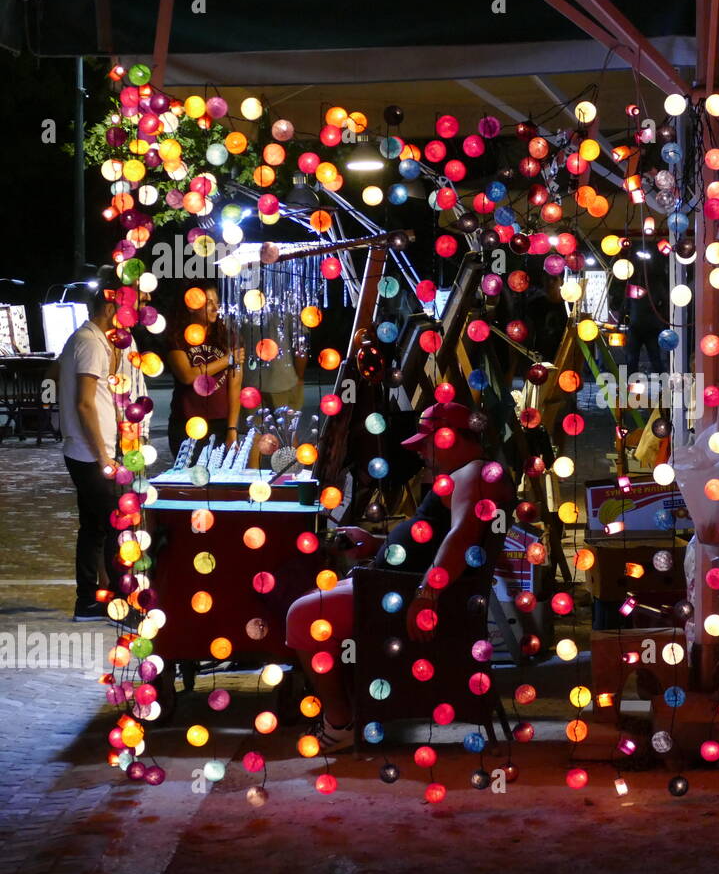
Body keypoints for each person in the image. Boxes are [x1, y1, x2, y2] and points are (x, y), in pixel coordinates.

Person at [284, 403, 514, 751]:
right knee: (308, 600)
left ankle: (340, 721)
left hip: (403, 593)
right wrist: (375, 543)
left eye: (426, 441)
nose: (420, 450)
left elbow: (461, 536)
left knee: (302, 616)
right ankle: (348, 710)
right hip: (394, 584)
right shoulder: (465, 474)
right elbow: (434, 536)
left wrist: (426, 596)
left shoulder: (476, 473)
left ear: (451, 436)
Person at [56, 266, 137, 620]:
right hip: (89, 453)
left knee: (93, 526)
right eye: (127, 303)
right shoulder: (89, 342)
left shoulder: (93, 340)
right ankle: (122, 603)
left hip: (87, 450)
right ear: (111, 304)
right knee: (116, 523)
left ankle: (88, 600)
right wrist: (105, 455)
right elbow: (85, 402)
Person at [165, 282, 243, 459]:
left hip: (221, 424)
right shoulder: (178, 338)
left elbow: (235, 385)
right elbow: (187, 376)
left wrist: (232, 428)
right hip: (186, 424)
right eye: (208, 303)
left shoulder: (228, 338)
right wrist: (228, 359)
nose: (215, 308)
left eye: (217, 302)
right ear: (191, 306)